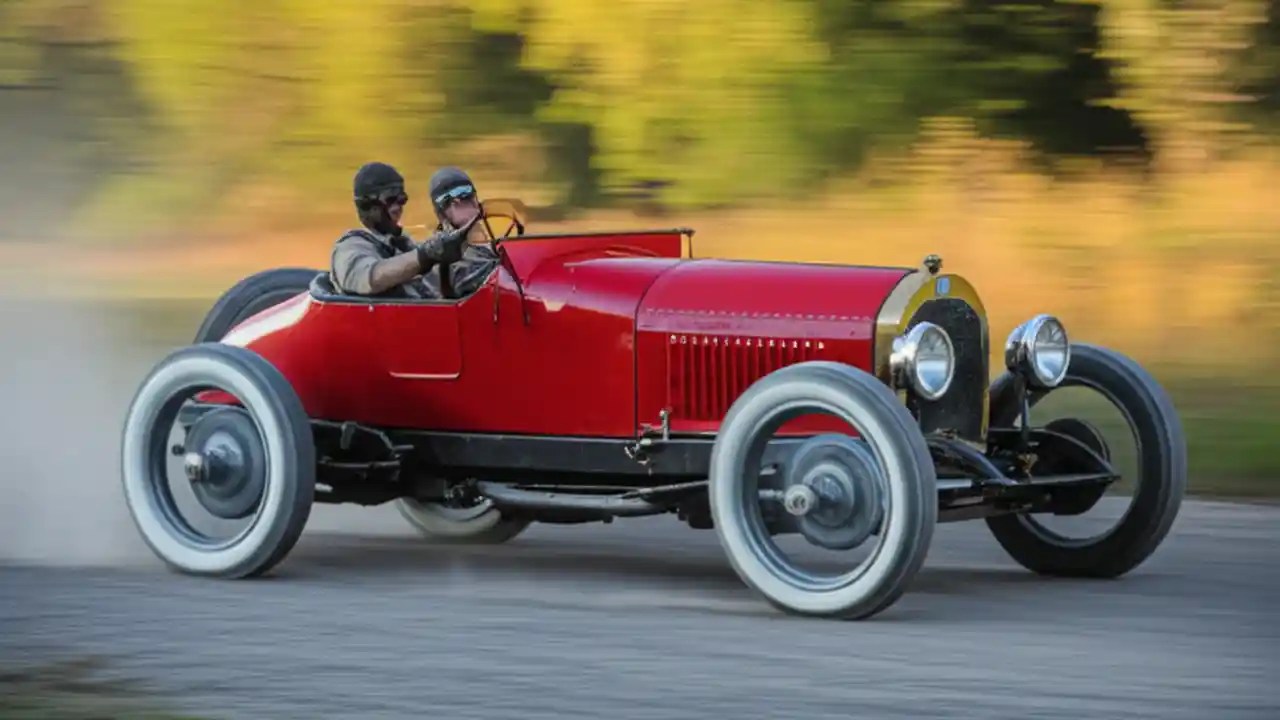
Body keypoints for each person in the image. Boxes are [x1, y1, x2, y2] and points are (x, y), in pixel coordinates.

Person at [329, 162, 476, 298]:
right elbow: (372, 278)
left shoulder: (402, 243)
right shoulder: (349, 247)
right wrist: (426, 255)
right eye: (390, 200)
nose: (398, 208)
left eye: (401, 200)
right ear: (367, 205)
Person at [418, 166, 501, 299]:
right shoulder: (437, 254)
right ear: (440, 214)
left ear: (475, 199)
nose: (457, 201)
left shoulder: (493, 246)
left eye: (464, 193)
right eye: (446, 200)